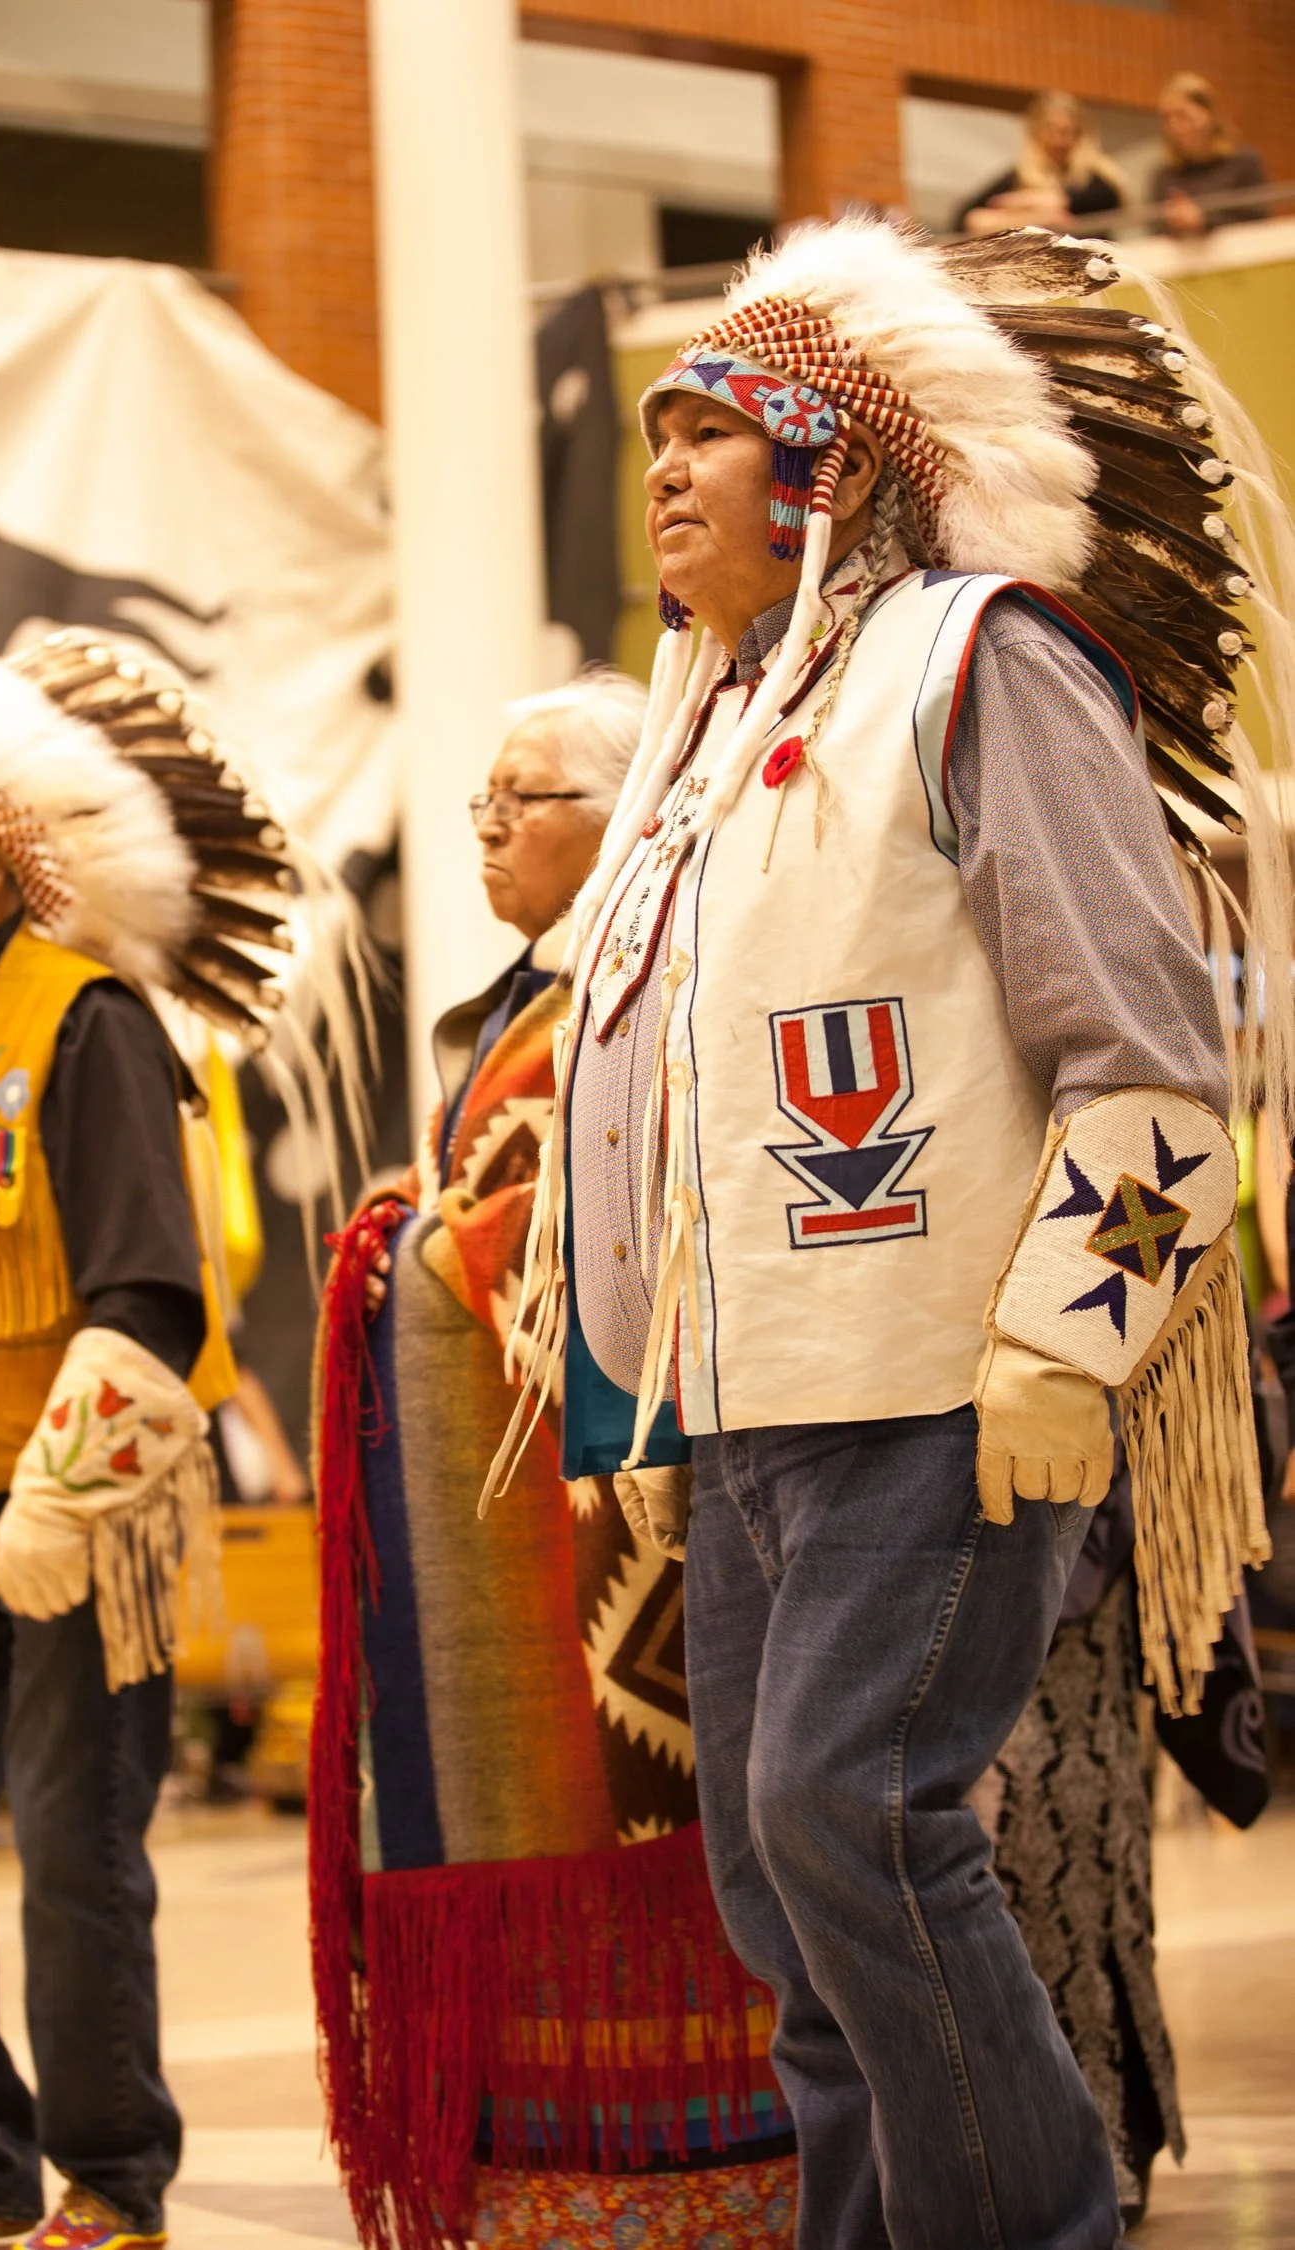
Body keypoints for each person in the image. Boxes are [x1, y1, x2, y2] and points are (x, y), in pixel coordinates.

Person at [489, 217, 1294, 2248]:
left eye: (706, 432)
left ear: (829, 461)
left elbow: (1151, 1062)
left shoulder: (980, 661)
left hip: (937, 1384)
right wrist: (653, 1388)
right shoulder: (708, 744)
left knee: (852, 1816)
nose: (664, 474)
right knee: (783, 1887)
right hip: (757, 1409)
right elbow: (675, 1099)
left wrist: (1067, 1344)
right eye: (650, 439)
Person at [0, 632, 356, 2250]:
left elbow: (150, 1291)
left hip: (81, 1520)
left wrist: (61, 1494)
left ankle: (112, 2174)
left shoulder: (88, 1022)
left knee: (75, 1848)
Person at [310, 671, 804, 2249]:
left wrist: (419, 1245)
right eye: (484, 797)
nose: (487, 824)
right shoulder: (528, 999)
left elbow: (604, 1216)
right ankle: (560, 2171)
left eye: (527, 798)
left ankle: (706, 2178)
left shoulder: (654, 980)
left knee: (672, 1804)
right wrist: (424, 1227)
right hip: (536, 1523)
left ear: (631, 809)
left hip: (638, 1514)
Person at [954, 91, 1127, 236]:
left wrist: (1035, 203)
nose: (1059, 141)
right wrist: (1038, 214)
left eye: (1067, 132)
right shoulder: (1017, 176)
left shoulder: (1098, 179)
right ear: (1036, 132)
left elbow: (1106, 202)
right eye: (1051, 131)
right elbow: (967, 219)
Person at [1152, 73, 1269, 237]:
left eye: (1183, 115)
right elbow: (1155, 232)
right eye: (1167, 119)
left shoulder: (1245, 163)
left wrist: (1204, 220)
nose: (1174, 127)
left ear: (1209, 115)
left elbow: (1257, 220)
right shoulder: (1164, 176)